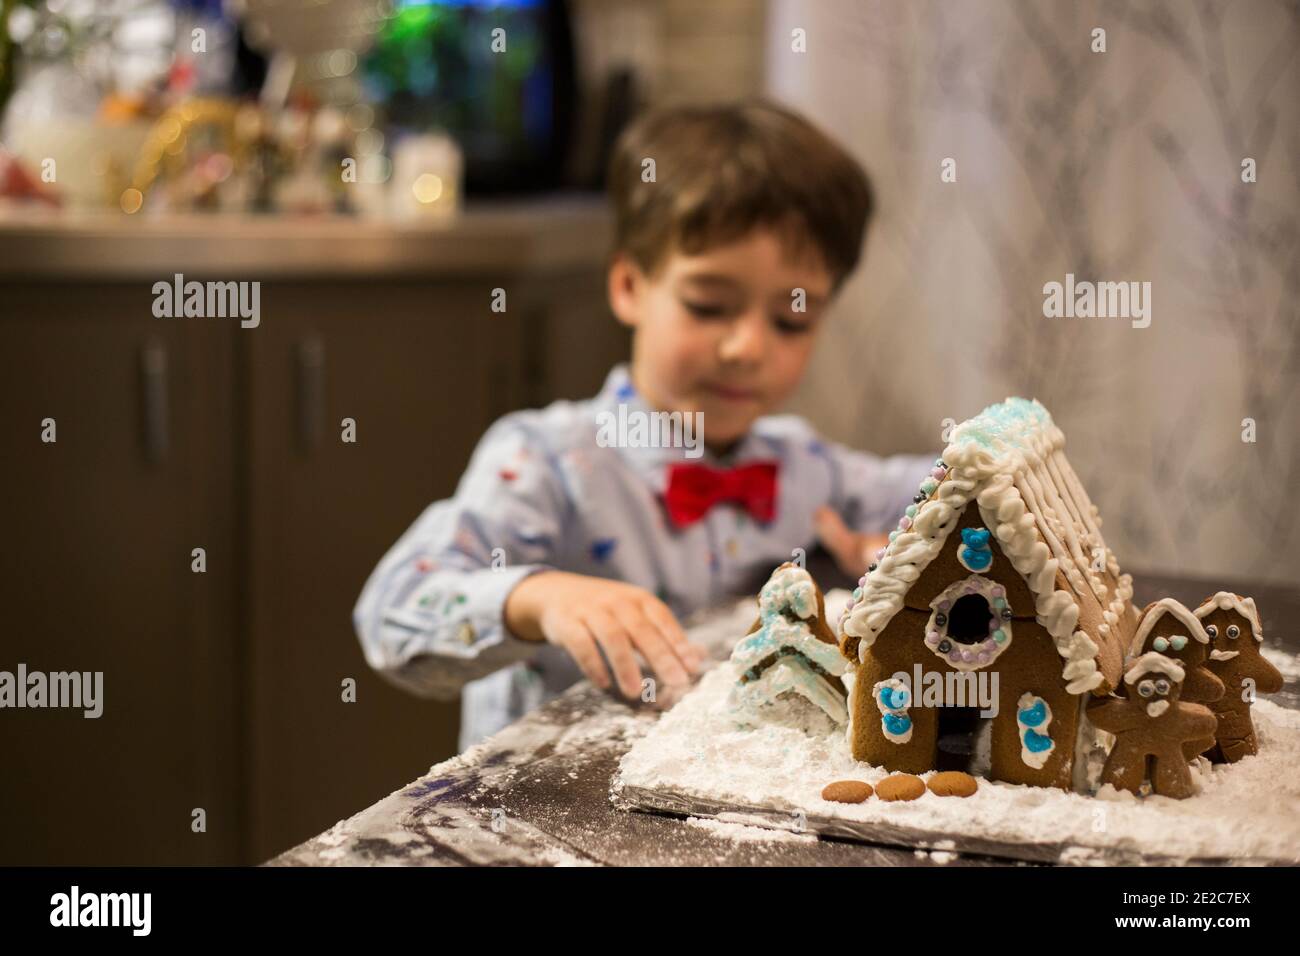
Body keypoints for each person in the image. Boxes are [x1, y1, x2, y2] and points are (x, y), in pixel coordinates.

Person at [354, 99, 936, 750]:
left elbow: (953, 488)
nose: (746, 347)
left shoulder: (807, 468)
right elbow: (392, 610)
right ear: (629, 284)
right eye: (709, 305)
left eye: (790, 320)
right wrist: (542, 598)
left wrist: (899, 551)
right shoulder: (545, 460)